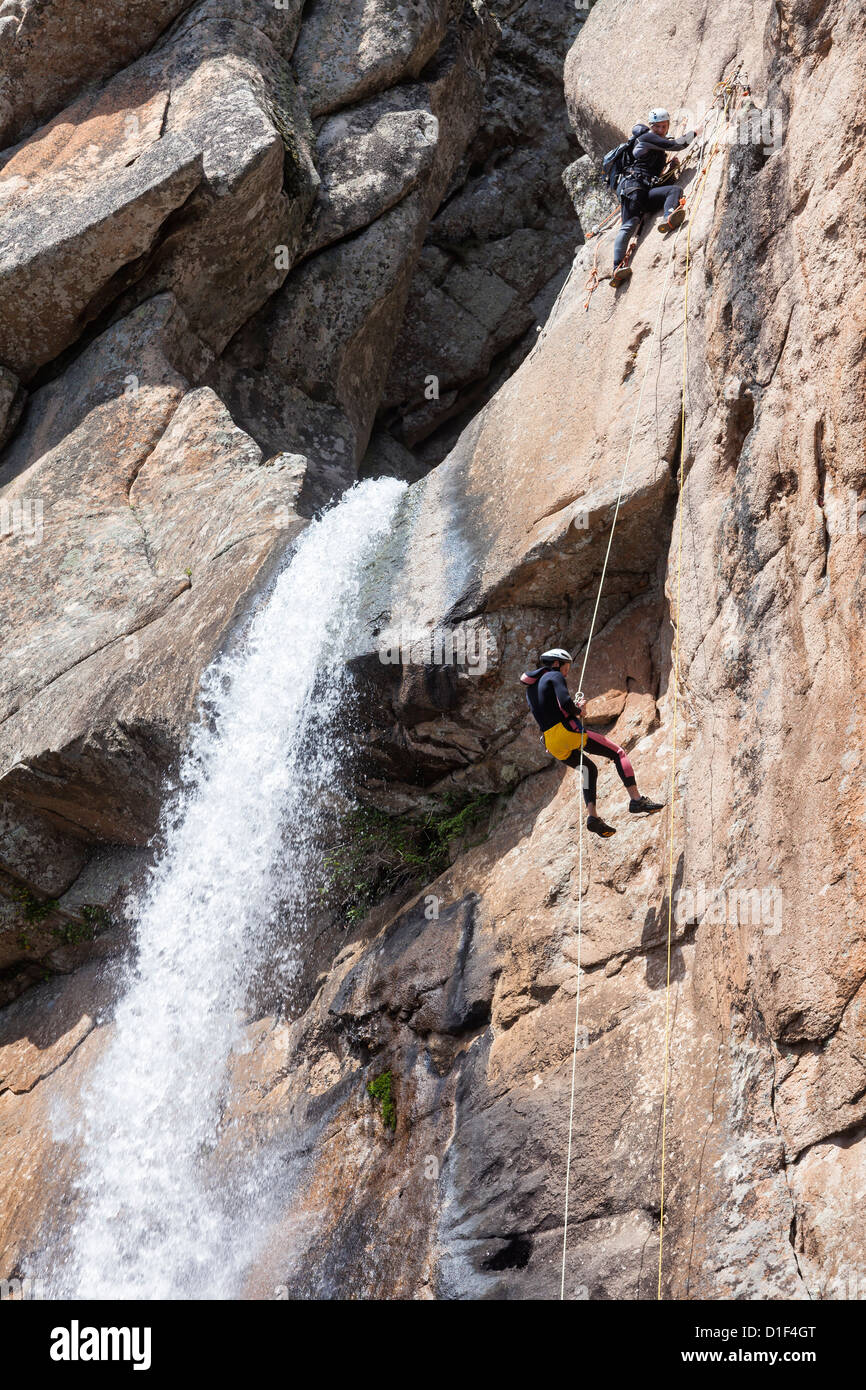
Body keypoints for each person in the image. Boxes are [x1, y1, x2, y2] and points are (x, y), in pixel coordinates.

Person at [521, 648, 663, 837]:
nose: (566, 672)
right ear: (556, 663)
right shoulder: (554, 675)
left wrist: (571, 710)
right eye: (566, 667)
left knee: (589, 769)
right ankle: (636, 800)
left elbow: (549, 711)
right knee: (618, 753)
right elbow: (564, 702)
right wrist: (578, 710)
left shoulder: (530, 689)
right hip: (567, 732)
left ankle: (593, 817)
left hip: (550, 741)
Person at [610, 108, 697, 288]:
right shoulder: (647, 138)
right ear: (651, 126)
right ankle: (616, 268)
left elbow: (658, 174)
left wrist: (671, 167)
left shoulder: (657, 144)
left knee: (673, 191)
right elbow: (678, 145)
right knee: (629, 224)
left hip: (646, 191)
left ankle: (669, 217)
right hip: (633, 188)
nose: (661, 130)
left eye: (664, 126)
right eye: (657, 126)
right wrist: (696, 131)